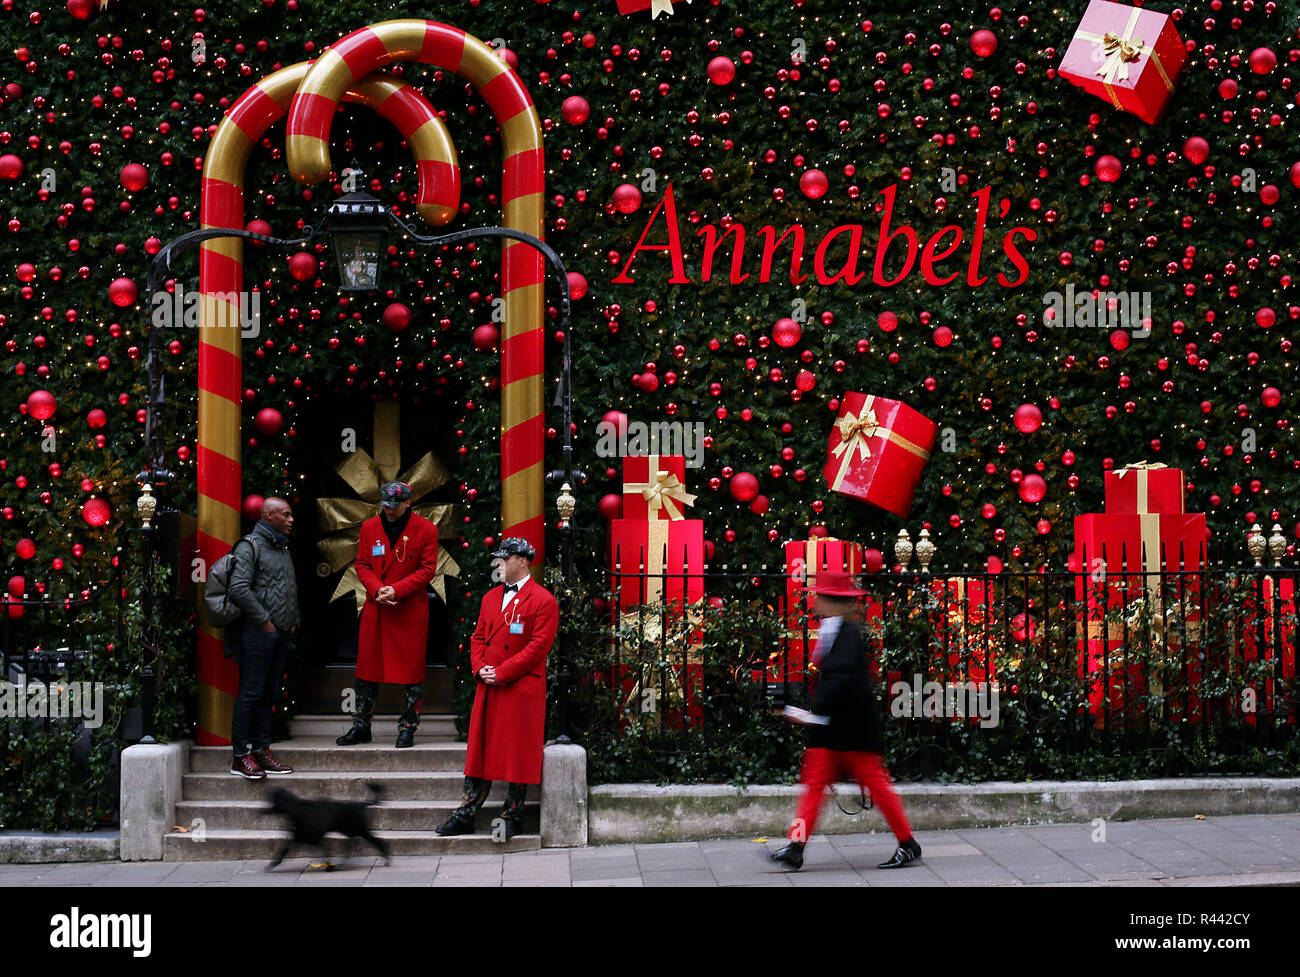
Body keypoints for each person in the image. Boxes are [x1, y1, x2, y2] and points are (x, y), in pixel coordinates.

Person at [771, 570, 922, 871]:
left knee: (876, 786)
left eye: (820, 596)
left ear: (834, 601)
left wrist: (811, 712)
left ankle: (908, 843)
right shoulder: (833, 628)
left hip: (852, 728)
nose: (814, 601)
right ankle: (795, 847)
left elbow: (839, 678)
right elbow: (824, 674)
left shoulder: (848, 634)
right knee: (814, 786)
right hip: (832, 727)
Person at [436, 537, 557, 839]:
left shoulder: (543, 600)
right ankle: (465, 814)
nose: (499, 564)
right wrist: (479, 669)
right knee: (480, 751)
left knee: (516, 753)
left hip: (519, 687)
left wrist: (501, 672)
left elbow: (538, 647)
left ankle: (512, 815)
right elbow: (477, 638)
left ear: (523, 561)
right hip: (488, 686)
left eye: (505, 559)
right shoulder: (490, 598)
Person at [337, 480, 441, 749]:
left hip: (407, 609)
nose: (389, 510)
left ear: (409, 502)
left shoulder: (426, 529)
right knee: (366, 669)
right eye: (385, 505)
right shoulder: (370, 526)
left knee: (411, 671)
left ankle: (408, 727)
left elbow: (427, 569)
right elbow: (362, 563)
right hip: (377, 606)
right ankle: (361, 726)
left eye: (395, 505)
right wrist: (378, 589)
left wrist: (396, 590)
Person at [227, 497, 300, 779]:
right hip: (258, 633)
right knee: (251, 693)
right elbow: (239, 588)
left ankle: (261, 750)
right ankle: (239, 757)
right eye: (286, 514)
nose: (291, 519)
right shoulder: (250, 546)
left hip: (279, 632)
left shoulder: (281, 546)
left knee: (268, 693)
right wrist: (265, 622)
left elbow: (285, 588)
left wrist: (290, 622)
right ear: (268, 516)